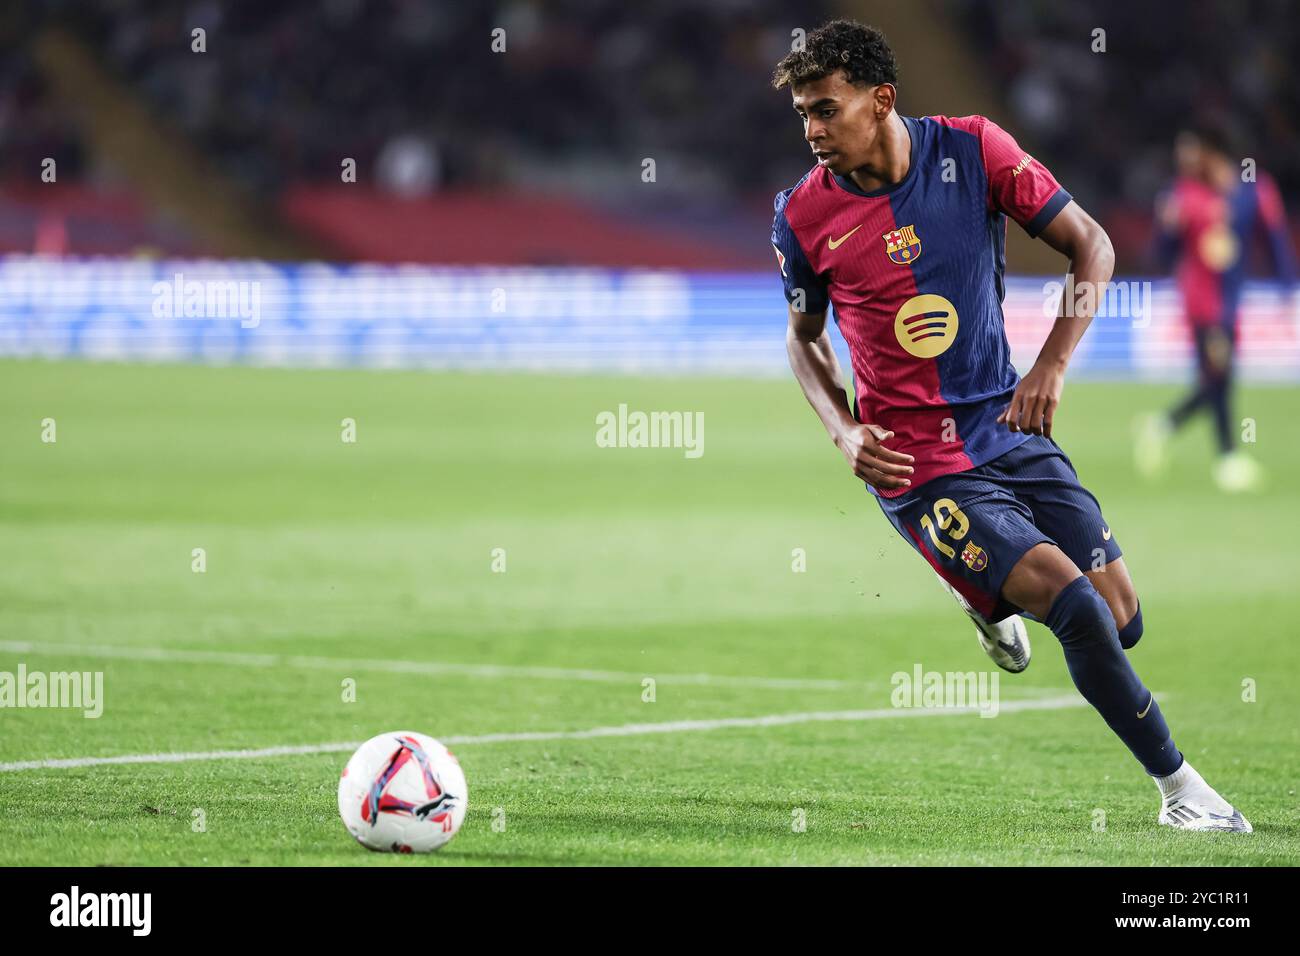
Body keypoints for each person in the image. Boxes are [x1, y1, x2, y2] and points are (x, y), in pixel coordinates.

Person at [772, 20, 1250, 831]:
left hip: (1007, 428)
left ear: (880, 99)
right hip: (917, 466)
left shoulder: (974, 151)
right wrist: (843, 431)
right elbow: (803, 338)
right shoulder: (803, 216)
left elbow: (1092, 246)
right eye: (803, 115)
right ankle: (1182, 793)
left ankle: (981, 590)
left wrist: (1052, 364)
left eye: (826, 109)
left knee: (1122, 621)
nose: (812, 131)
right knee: (1076, 608)